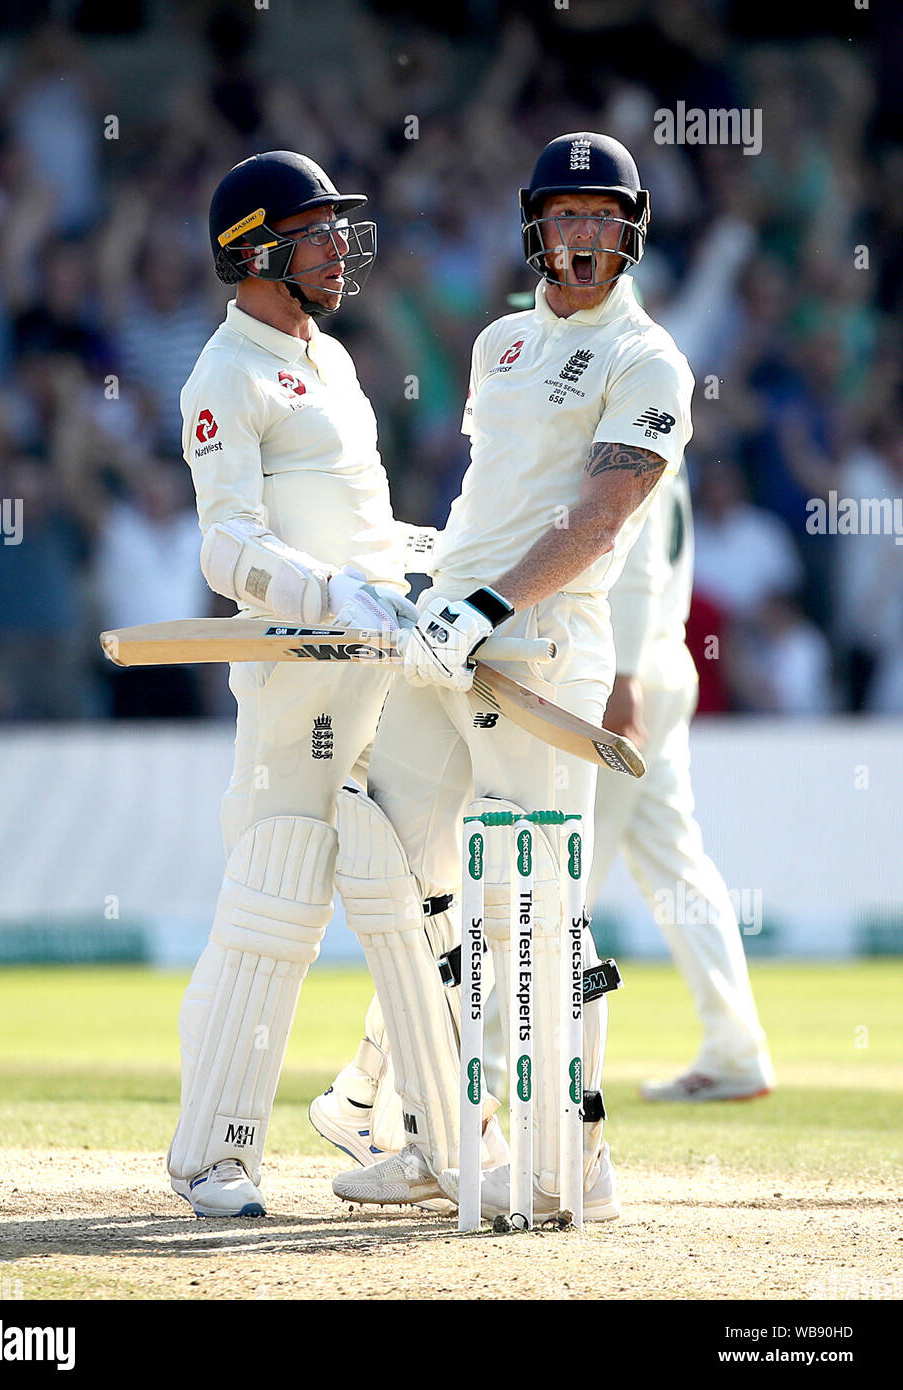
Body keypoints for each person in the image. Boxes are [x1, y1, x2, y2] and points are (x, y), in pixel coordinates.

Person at [318, 133, 694, 1224]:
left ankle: (575, 1151)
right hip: (446, 636)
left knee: (529, 902)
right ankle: (450, 1135)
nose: (581, 238)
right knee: (387, 862)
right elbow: (497, 503)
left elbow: (600, 513)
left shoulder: (649, 359)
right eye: (564, 215)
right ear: (535, 222)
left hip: (543, 645)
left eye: (601, 218)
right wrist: (431, 579)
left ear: (630, 232)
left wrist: (489, 604)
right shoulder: (498, 344)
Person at [167, 150, 417, 1217]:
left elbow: (360, 528)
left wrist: (431, 559)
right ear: (255, 251)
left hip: (379, 661)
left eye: (334, 229)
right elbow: (225, 546)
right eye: (313, 232)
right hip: (298, 675)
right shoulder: (224, 374)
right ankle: (213, 1155)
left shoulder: (337, 361)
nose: (336, 249)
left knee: (420, 885)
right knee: (276, 899)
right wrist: (323, 590)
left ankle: (395, 1117)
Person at [588, 466, 775, 1101]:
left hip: (624, 672)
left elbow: (635, 562)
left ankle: (494, 1067)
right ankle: (735, 1049)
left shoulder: (631, 401)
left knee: (561, 871)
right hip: (655, 663)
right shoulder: (656, 411)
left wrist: (622, 675)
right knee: (676, 867)